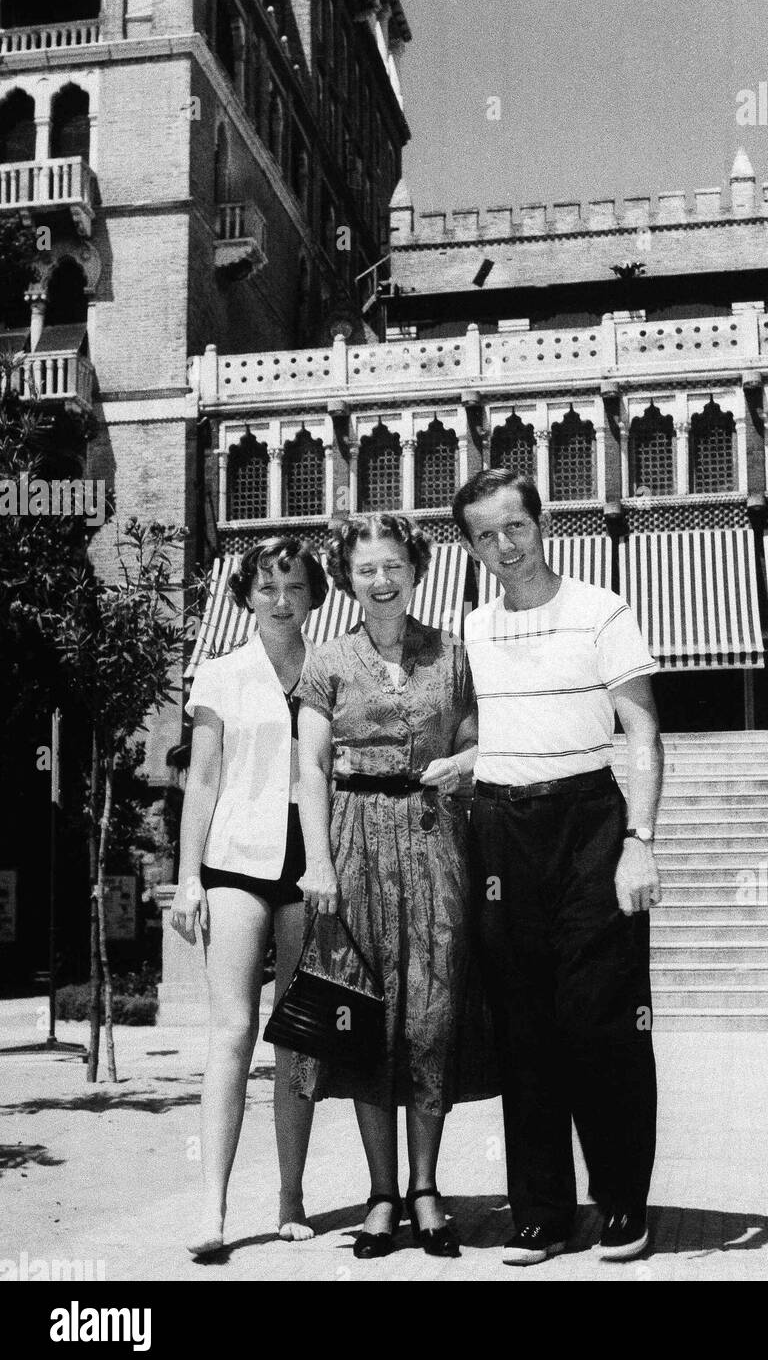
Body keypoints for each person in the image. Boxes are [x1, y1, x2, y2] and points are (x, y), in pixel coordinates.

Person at [454, 467, 663, 1266]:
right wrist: (466, 762)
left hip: (590, 822)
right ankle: (540, 1212)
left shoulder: (601, 610)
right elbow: (500, 722)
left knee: (601, 1018)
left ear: (542, 524)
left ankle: (621, 1206)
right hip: (502, 827)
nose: (504, 546)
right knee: (523, 1025)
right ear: (470, 546)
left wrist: (639, 839)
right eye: (485, 535)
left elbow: (641, 732)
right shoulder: (474, 629)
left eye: (515, 526)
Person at [294, 513, 490, 1260]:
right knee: (363, 1016)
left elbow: (477, 738)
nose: (381, 580)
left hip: (436, 836)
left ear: (416, 570)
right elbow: (310, 766)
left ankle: (426, 1187)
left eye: (394, 566)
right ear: (346, 577)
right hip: (351, 841)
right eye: (366, 568)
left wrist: (460, 764)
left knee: (432, 1016)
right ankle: (381, 1194)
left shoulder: (454, 653)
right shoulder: (327, 661)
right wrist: (317, 862)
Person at [172, 536, 328, 1255]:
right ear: (246, 594)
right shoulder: (220, 673)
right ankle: (212, 1209)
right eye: (267, 586)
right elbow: (200, 779)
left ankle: (291, 1194)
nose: (281, 598)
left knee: (296, 1033)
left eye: (293, 585)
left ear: (313, 592)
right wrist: (189, 877)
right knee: (232, 1030)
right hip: (234, 859)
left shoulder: (331, 668)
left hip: (310, 862)